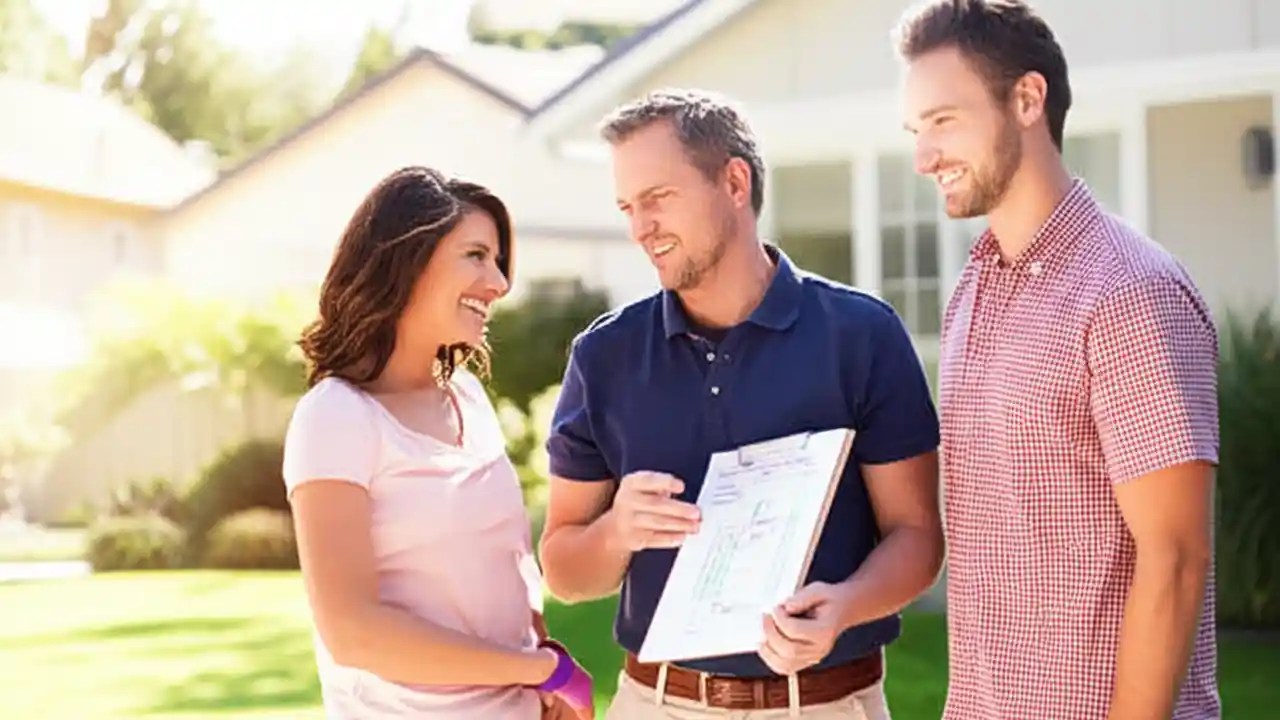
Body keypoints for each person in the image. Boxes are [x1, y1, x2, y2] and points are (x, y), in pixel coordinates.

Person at [538, 89, 945, 719]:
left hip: (827, 706)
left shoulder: (861, 336)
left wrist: (844, 607)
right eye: (627, 206)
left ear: (734, 181)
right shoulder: (605, 356)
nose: (639, 227)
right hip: (659, 705)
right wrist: (617, 530)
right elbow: (564, 572)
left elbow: (916, 538)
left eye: (657, 199)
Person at [894, 1, 1221, 718]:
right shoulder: (974, 287)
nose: (923, 158)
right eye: (917, 131)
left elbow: (1175, 562)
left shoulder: (1129, 291)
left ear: (1027, 99)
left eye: (944, 121)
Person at [281, 166, 593, 719]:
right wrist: (541, 671)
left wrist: (543, 658)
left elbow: (504, 561)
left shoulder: (468, 399)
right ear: (406, 261)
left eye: (497, 262)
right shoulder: (336, 416)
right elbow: (353, 631)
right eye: (476, 255)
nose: (497, 284)